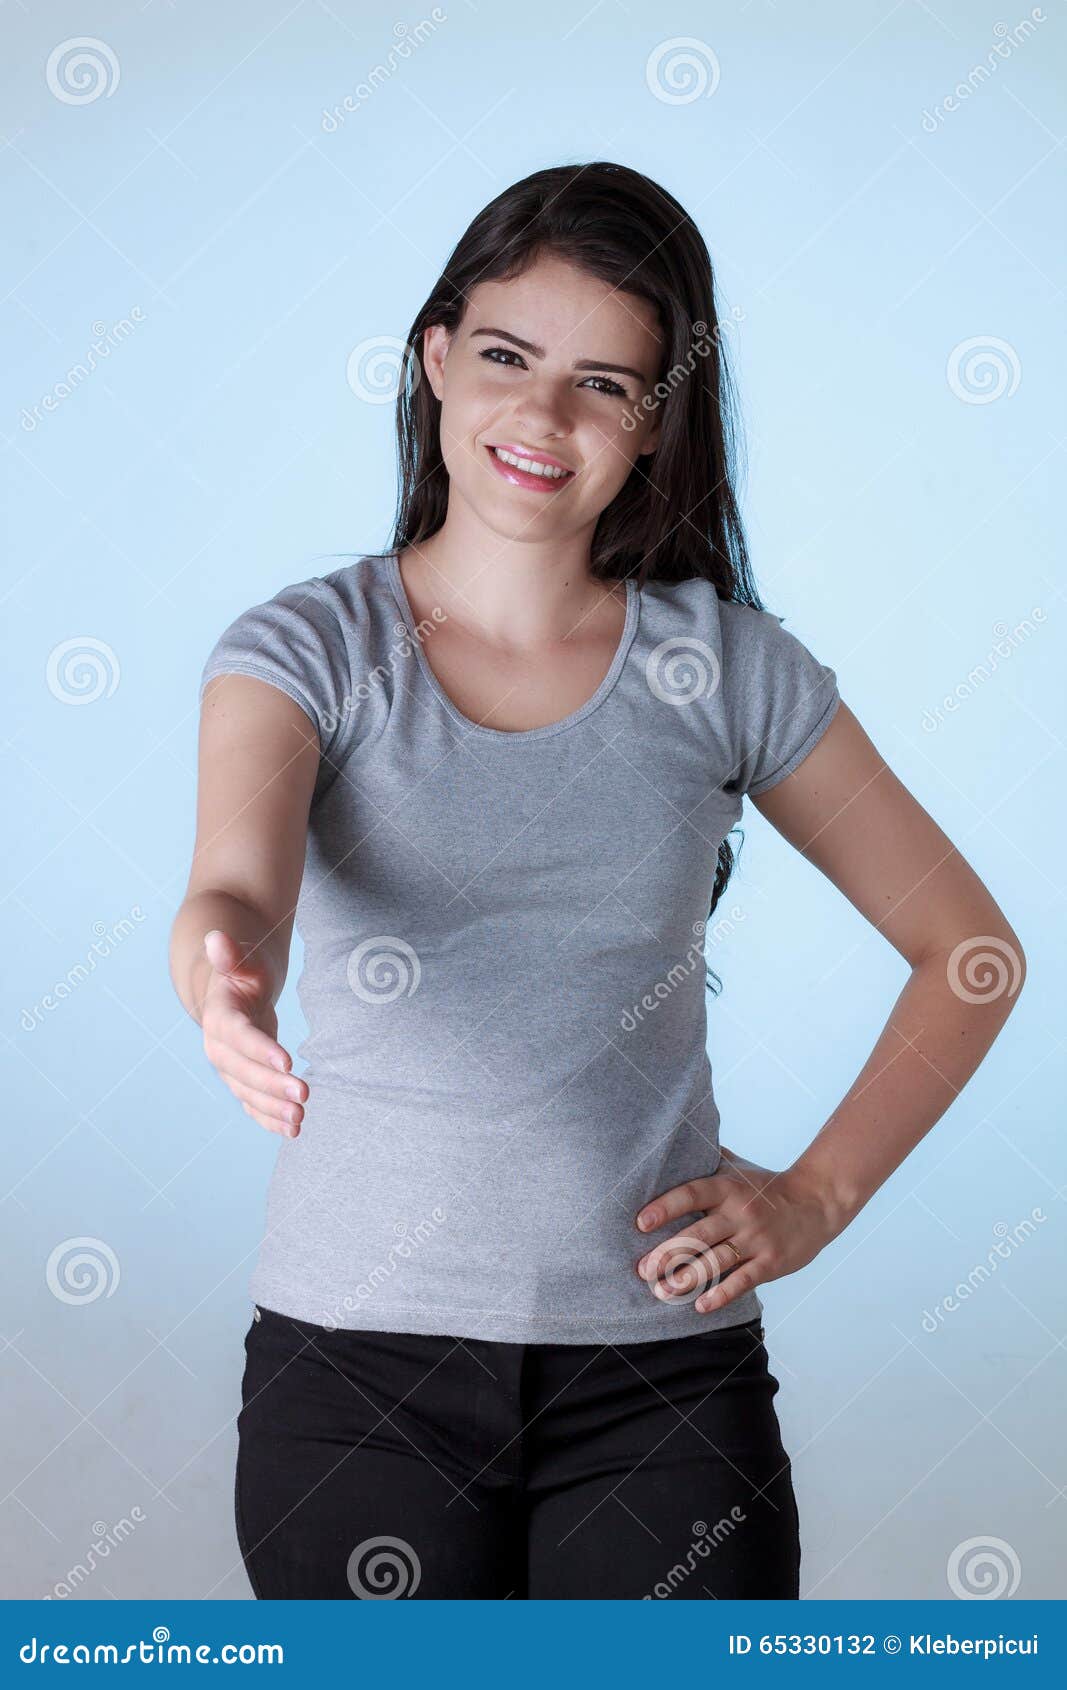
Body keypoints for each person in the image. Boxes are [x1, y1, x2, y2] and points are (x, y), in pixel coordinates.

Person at [170, 161, 1026, 1600]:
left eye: (607, 383)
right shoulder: (307, 649)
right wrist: (221, 969)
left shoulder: (730, 670)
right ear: (435, 356)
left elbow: (971, 949)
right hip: (354, 1376)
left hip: (662, 1393)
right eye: (507, 356)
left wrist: (815, 1197)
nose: (544, 416)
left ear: (656, 421)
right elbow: (232, 889)